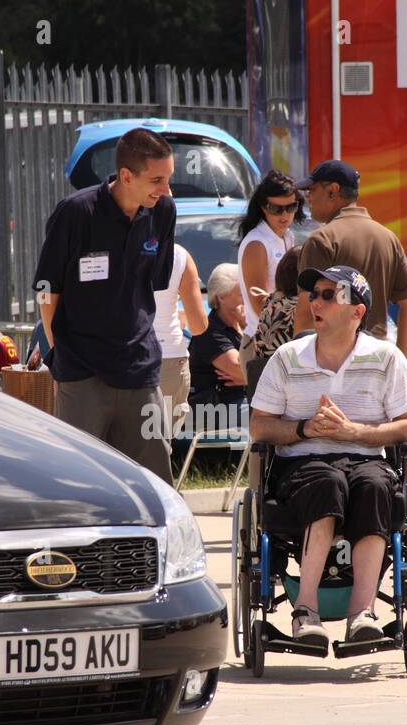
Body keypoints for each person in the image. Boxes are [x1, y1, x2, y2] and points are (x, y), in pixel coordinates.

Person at [249, 264, 407, 645]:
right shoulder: (288, 357)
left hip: (366, 459)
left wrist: (357, 432)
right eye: (314, 294)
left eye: (330, 295)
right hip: (301, 462)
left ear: (357, 311)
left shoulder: (386, 357)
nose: (316, 301)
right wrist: (304, 428)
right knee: (327, 482)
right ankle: (305, 611)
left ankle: (363, 613)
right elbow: (259, 426)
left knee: (376, 487)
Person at [34, 127, 177, 483]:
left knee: (153, 484)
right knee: (79, 483)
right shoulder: (76, 213)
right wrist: (58, 355)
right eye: (157, 180)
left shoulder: (162, 211)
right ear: (126, 176)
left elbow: (152, 284)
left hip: (140, 372)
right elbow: (46, 292)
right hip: (82, 376)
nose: (167, 190)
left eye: (169, 179)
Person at [295, 160, 407, 348]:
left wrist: (303, 367)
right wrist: (402, 359)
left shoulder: (322, 240)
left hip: (333, 359)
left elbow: (307, 311)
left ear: (332, 191)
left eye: (311, 191)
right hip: (376, 355)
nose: (308, 198)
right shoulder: (388, 238)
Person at [237, 169, 304, 338]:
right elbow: (259, 304)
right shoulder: (257, 244)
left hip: (282, 339)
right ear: (263, 207)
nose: (285, 215)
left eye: (291, 207)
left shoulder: (288, 236)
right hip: (261, 343)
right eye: (276, 209)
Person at [153, 242, 207, 442]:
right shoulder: (179, 255)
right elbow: (198, 326)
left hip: (122, 356)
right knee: (161, 446)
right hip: (169, 357)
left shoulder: (112, 246)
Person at [187, 263, 248, 425]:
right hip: (217, 408)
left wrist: (248, 378)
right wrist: (250, 377)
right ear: (221, 297)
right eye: (242, 294)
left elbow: (258, 370)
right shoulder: (208, 330)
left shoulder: (242, 325)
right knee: (268, 418)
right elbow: (241, 369)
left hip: (242, 399)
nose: (248, 298)